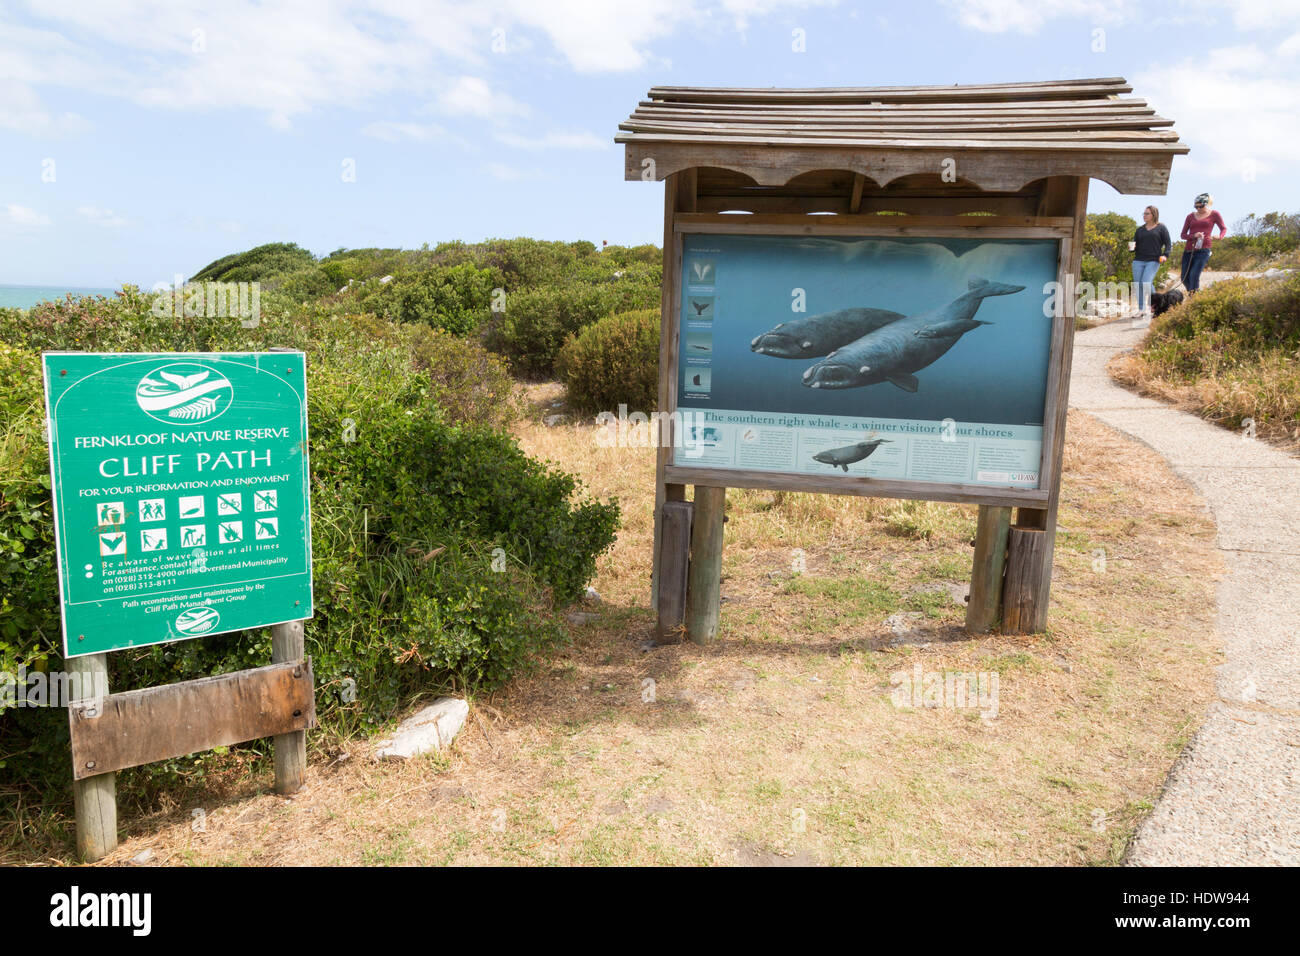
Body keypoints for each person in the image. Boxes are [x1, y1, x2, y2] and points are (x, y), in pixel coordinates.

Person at [1180, 192, 1227, 293]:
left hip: (1204, 250)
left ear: (1206, 204)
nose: (1198, 209)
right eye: (1196, 207)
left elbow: (1223, 228)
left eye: (1200, 206)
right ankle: (1195, 294)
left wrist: (1219, 236)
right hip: (1189, 250)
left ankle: (1193, 299)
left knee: (1194, 275)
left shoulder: (1214, 214)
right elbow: (1183, 235)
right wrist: (1193, 236)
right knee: (1184, 277)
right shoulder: (1190, 216)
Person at [1131, 205, 1170, 318]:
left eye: (1147, 213)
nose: (1144, 216)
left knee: (1146, 282)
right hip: (1138, 260)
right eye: (1143, 214)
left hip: (1153, 260)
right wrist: (1131, 248)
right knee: (1138, 285)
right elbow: (1134, 244)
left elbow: (1168, 244)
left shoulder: (1161, 228)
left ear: (1154, 215)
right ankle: (1141, 309)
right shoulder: (1140, 230)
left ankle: (1156, 305)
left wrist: (1165, 255)